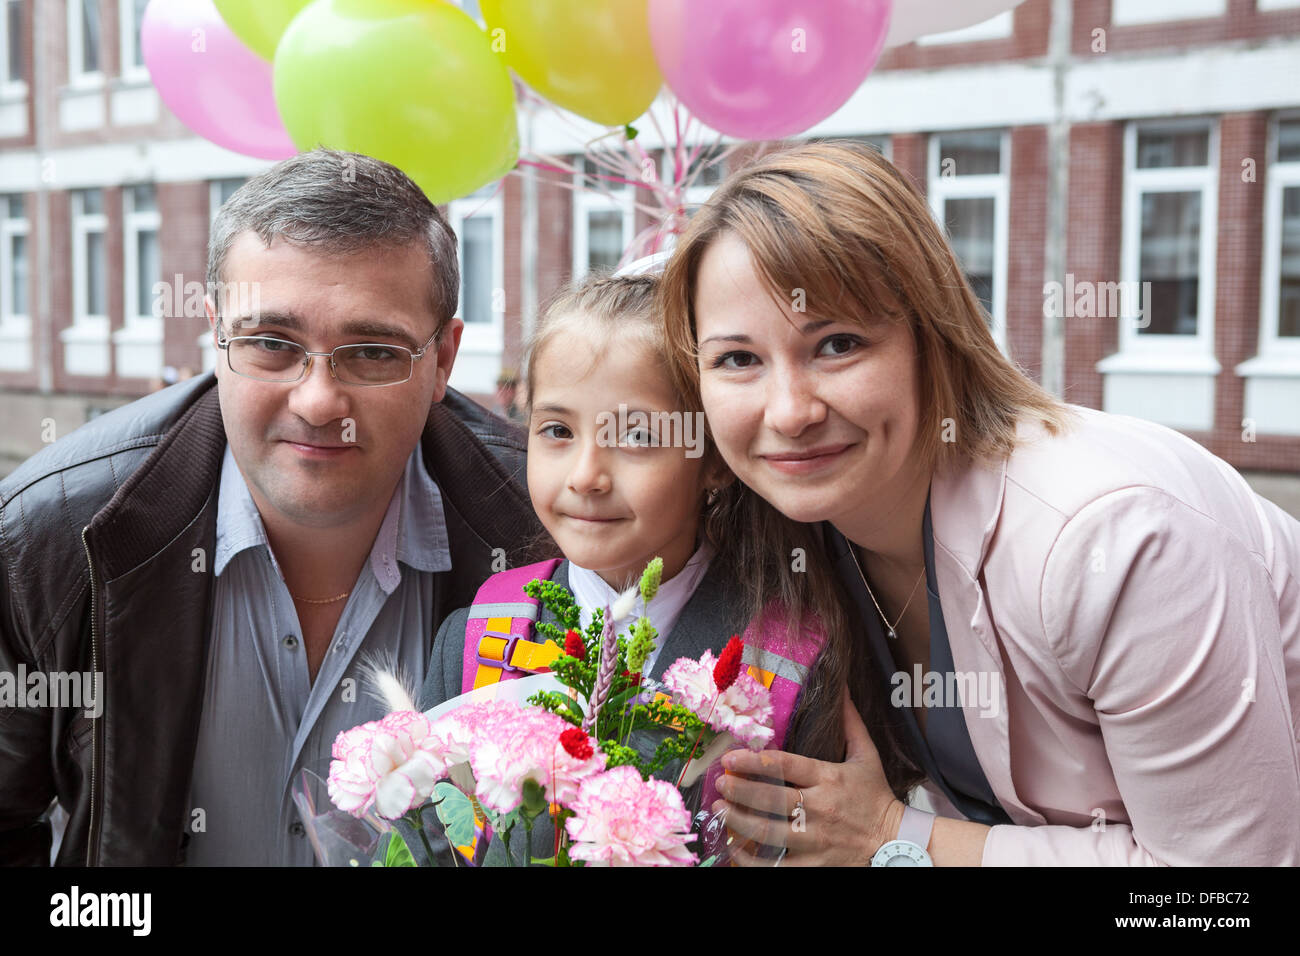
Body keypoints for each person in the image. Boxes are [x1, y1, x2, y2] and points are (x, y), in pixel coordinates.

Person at [658, 140, 1300, 866]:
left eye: (837, 344)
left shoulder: (1116, 541)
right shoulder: (787, 525)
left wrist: (893, 839)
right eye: (737, 359)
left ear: (934, 340)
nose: (790, 411)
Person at [0, 149, 549, 866]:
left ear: (443, 360)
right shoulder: (50, 535)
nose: (319, 401)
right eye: (269, 344)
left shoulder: (548, 527)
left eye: (373, 352)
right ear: (214, 333)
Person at [416, 272, 872, 863]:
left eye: (635, 435)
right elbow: (423, 840)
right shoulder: (478, 636)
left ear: (713, 459)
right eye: (556, 430)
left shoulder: (785, 662)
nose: (585, 475)